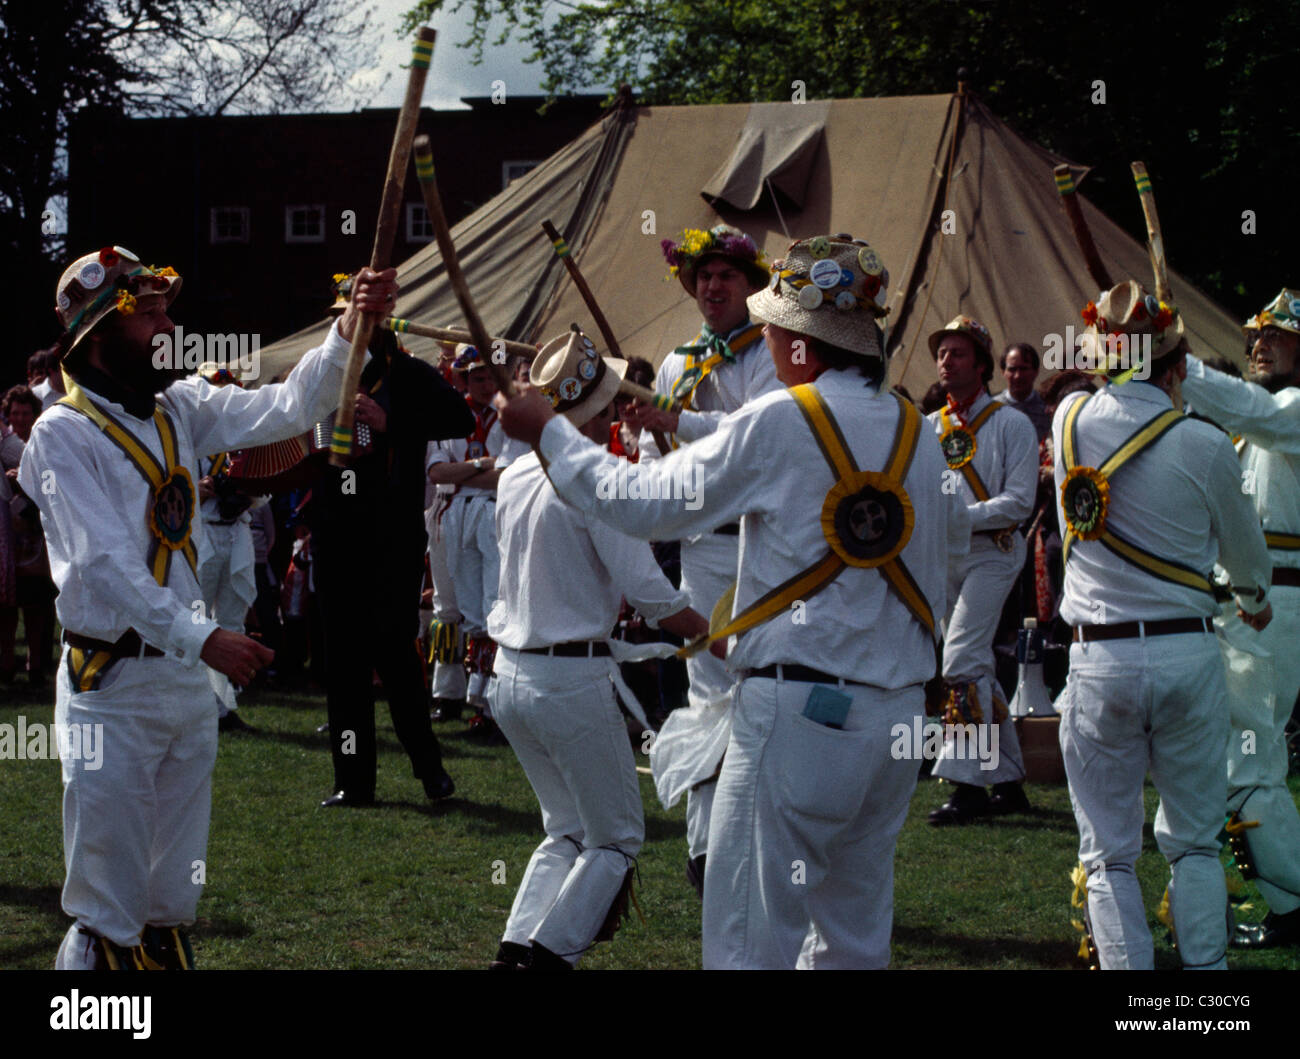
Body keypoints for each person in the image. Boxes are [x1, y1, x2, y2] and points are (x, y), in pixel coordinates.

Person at [501, 234, 957, 969]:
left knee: (749, 940)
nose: (767, 336)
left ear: (799, 340)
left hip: (798, 715)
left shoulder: (784, 420)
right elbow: (952, 557)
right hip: (896, 719)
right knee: (853, 937)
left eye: (774, 324)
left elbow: (643, 502)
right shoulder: (919, 431)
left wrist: (548, 431)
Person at [22, 246, 397, 970]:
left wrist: (351, 327)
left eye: (167, 310)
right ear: (99, 333)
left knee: (167, 906)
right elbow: (106, 565)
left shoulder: (180, 406)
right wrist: (205, 638)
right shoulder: (60, 434)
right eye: (151, 314)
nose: (170, 325)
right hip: (113, 689)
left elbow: (287, 406)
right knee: (106, 910)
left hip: (183, 687)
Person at [1054, 279, 1273, 970]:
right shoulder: (1206, 443)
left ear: (1099, 359)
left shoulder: (1066, 421)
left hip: (1099, 659)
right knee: (1197, 841)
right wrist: (1253, 596)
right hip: (1187, 652)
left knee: (1109, 851)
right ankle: (1204, 987)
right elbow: (1247, 556)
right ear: (1177, 368)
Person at [487, 329, 707, 970]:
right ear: (606, 410)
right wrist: (716, 635)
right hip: (567, 681)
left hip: (512, 675)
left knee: (566, 829)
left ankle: (514, 956)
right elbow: (651, 595)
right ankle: (549, 960)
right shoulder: (600, 480)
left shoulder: (515, 474)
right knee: (615, 839)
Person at [620, 223, 777, 897]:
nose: (713, 286)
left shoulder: (771, 356)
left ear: (749, 286)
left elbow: (758, 440)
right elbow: (666, 464)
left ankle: (759, 840)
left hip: (766, 547)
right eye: (703, 277)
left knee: (764, 691)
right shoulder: (678, 363)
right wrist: (648, 440)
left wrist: (679, 423)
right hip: (703, 548)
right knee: (711, 691)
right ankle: (707, 848)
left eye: (727, 276)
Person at [308, 279, 474, 808]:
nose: (357, 327)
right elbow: (293, 432)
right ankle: (352, 781)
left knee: (397, 655)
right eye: (347, 317)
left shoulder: (411, 373)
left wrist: (390, 423)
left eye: (365, 318)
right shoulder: (321, 374)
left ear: (384, 319)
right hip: (335, 533)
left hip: (393, 536)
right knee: (344, 662)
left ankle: (431, 772)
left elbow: (461, 418)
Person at [1179, 287, 1300, 948]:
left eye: (1274, 336)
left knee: (1251, 756)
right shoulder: (1266, 416)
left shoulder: (1293, 411)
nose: (1258, 345)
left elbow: (1247, 410)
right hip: (1254, 597)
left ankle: (1293, 897)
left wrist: (1177, 353)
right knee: (1249, 749)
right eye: (1255, 334)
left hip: (1278, 599)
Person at [925, 315, 1038, 824]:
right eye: (942, 353)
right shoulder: (930, 426)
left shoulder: (1011, 423)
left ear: (983, 364)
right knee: (975, 666)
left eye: (958, 354)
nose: (947, 362)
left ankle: (967, 785)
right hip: (946, 555)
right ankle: (1010, 781)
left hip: (995, 550)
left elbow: (1019, 502)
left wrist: (956, 518)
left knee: (962, 655)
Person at [427, 345, 505, 737]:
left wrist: (462, 476)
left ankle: (487, 701)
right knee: (448, 606)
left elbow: (510, 474)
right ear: (462, 379)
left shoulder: (509, 415)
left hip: (493, 511)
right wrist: (480, 465)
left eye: (491, 375)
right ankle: (448, 692)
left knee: (492, 604)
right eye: (477, 377)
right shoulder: (446, 413)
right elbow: (437, 473)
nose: (486, 383)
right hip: (448, 515)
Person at [194, 363, 258, 734]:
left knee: (232, 618)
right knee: (196, 617)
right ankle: (195, 706)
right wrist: (197, 486)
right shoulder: (188, 435)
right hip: (201, 530)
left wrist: (245, 494)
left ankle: (222, 706)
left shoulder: (243, 436)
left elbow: (264, 491)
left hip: (235, 530)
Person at [995, 342, 1051, 440]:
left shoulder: (1048, 407)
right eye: (1012, 369)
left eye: (1023, 369)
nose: (1018, 376)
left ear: (1036, 371)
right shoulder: (993, 410)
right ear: (1003, 372)